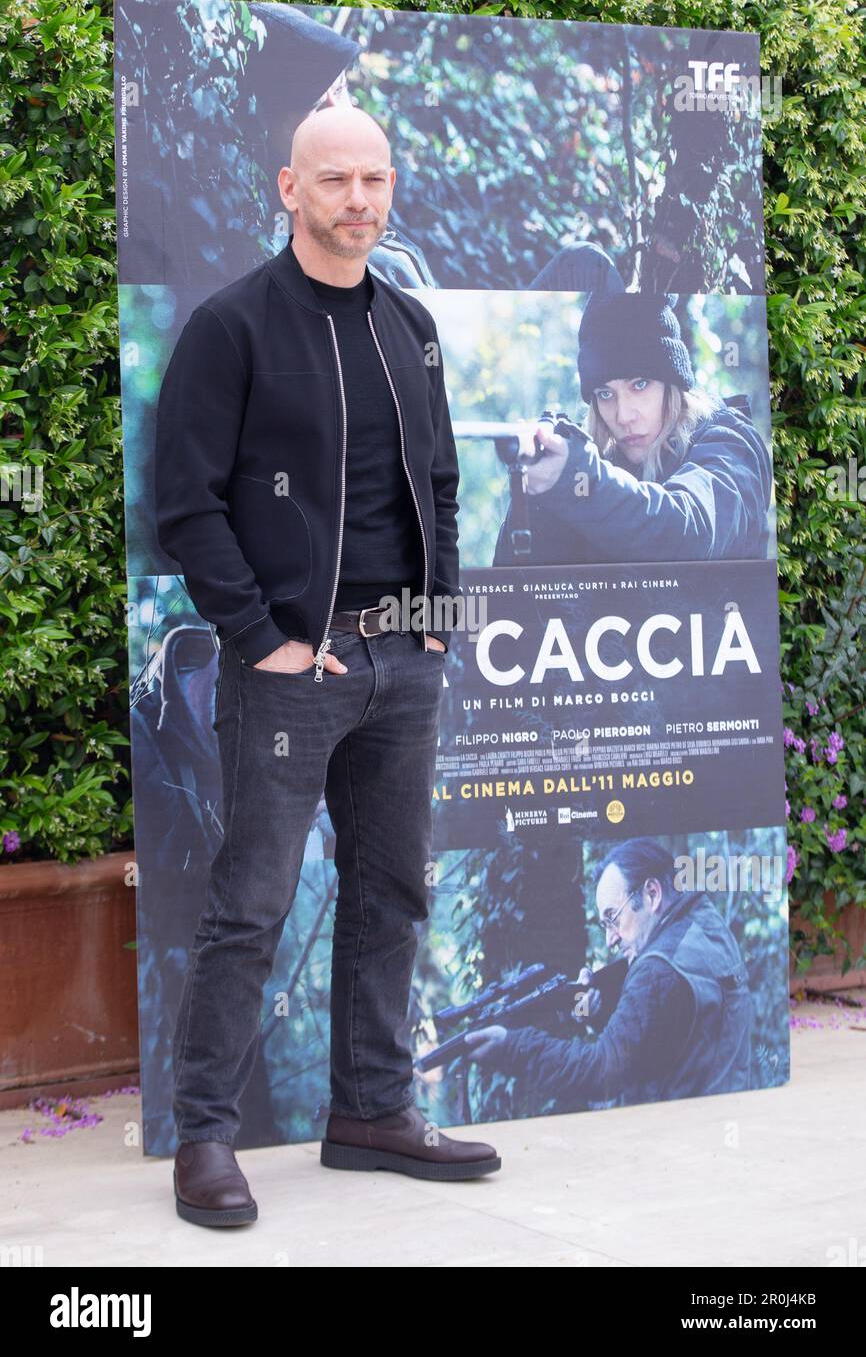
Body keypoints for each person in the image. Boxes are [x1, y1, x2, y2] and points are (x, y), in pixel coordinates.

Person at [155, 104, 500, 1228]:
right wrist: (263, 639)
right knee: (249, 906)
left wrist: (435, 618)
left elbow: (439, 484)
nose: (359, 199)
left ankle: (370, 1111)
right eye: (335, 180)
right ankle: (204, 1136)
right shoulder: (231, 326)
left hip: (403, 660)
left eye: (375, 179)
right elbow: (187, 507)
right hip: (291, 670)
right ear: (286, 188)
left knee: (393, 891)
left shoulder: (409, 325)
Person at [466, 838, 753, 1108]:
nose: (610, 940)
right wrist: (595, 1012)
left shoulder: (656, 972)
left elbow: (601, 1071)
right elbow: (665, 1034)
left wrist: (511, 1046)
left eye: (613, 918)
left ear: (652, 894)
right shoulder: (704, 921)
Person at [492, 293, 773, 566]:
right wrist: (541, 494)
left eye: (639, 384)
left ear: (671, 384)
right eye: (605, 394)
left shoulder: (730, 443)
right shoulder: (604, 467)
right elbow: (519, 587)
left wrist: (578, 480)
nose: (623, 415)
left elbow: (687, 534)